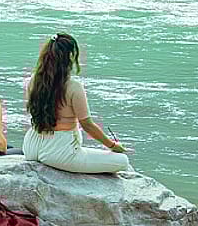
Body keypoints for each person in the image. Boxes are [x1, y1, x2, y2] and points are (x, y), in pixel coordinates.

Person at [22, 33, 130, 173]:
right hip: (59, 153)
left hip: (31, 146)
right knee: (122, 161)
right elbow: (87, 124)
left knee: (88, 154)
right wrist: (112, 145)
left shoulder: (33, 81)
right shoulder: (73, 87)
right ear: (70, 57)